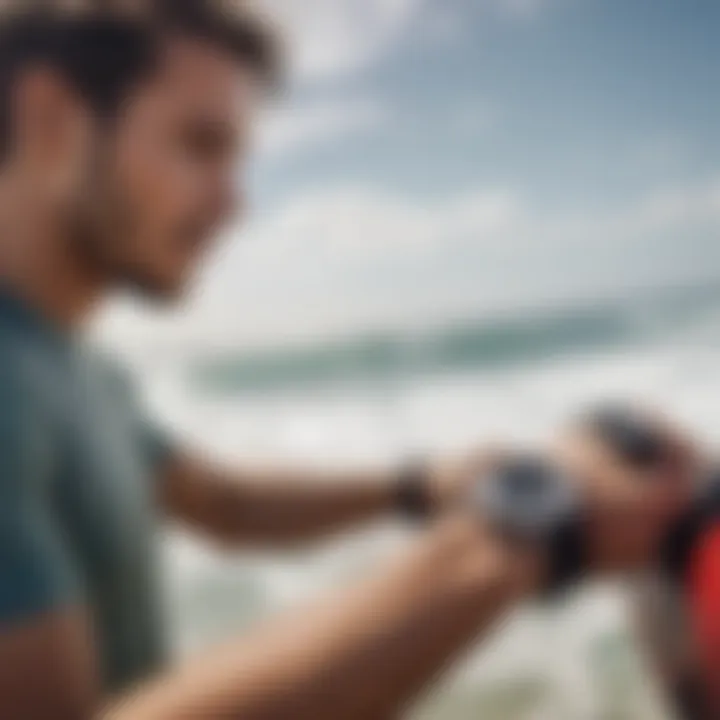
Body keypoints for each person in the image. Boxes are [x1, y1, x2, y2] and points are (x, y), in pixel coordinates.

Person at [0, 3, 547, 719]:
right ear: (51, 121)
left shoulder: (78, 369)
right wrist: (515, 544)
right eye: (200, 145)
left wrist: (419, 486)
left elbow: (227, 505)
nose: (234, 205)